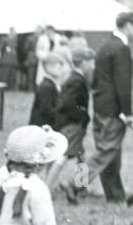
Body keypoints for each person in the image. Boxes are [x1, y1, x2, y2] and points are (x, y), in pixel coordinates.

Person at [80, 11, 133, 206]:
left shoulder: (104, 45)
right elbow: (123, 84)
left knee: (110, 153)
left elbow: (95, 79)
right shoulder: (122, 49)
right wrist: (128, 113)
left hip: (101, 106)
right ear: (128, 26)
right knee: (106, 151)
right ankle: (75, 183)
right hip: (113, 110)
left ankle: (115, 194)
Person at [53, 46, 95, 201]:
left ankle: (81, 187)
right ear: (83, 62)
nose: (93, 66)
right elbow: (67, 103)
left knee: (81, 155)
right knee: (63, 157)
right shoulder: (77, 80)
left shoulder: (73, 77)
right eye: (91, 62)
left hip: (73, 123)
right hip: (73, 125)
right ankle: (48, 188)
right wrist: (81, 115)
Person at [28, 52, 67, 128]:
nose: (61, 71)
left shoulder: (50, 84)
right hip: (41, 126)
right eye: (59, 68)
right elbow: (47, 109)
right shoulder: (47, 86)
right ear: (49, 68)